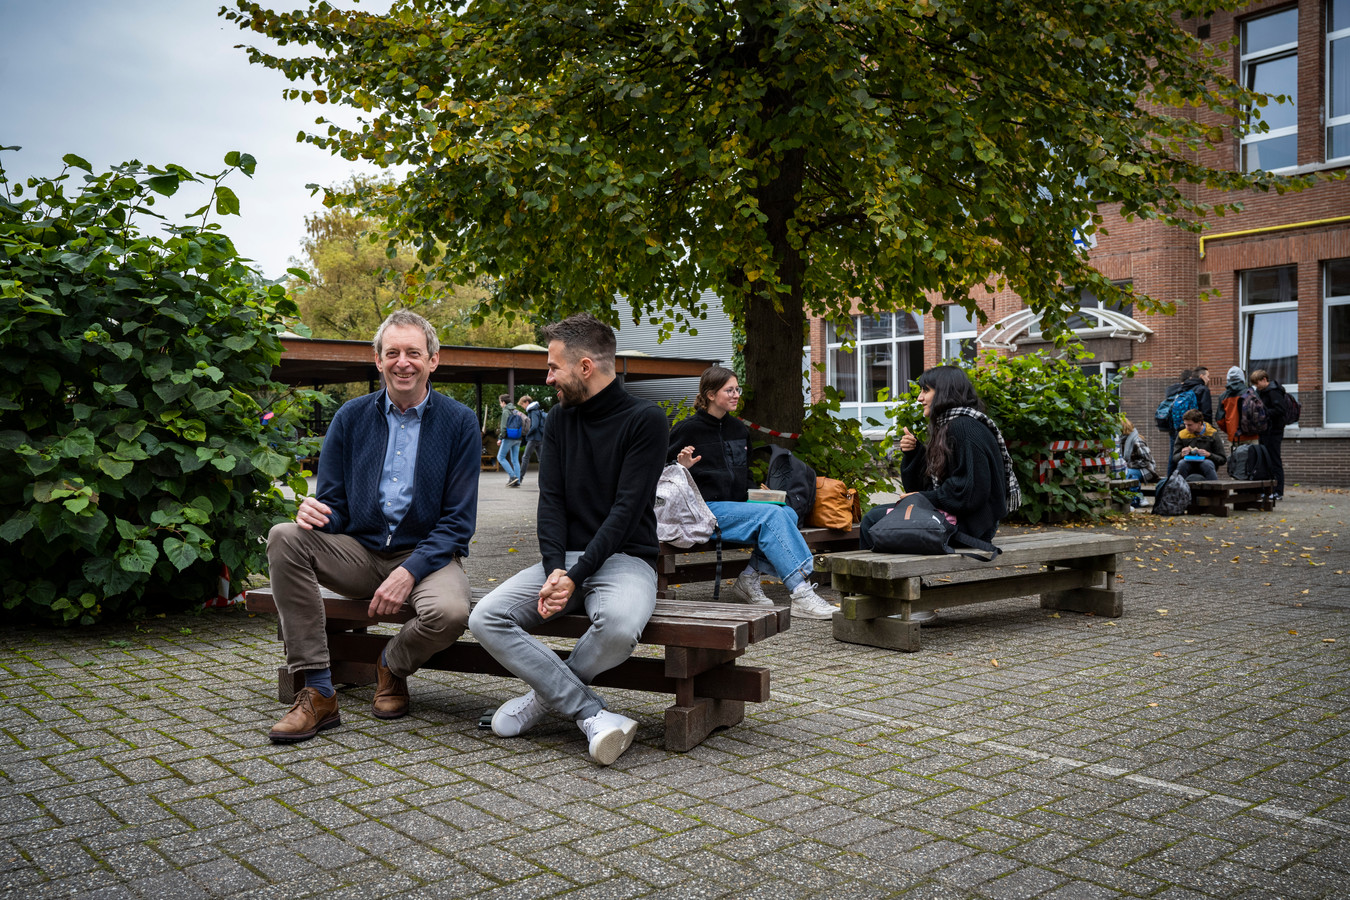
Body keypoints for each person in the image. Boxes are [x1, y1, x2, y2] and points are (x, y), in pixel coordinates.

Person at [264, 310, 480, 743]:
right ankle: (319, 692)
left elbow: (458, 522)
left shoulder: (459, 422)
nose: (404, 362)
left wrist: (409, 571)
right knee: (284, 536)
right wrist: (317, 513)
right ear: (377, 359)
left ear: (433, 361)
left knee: (452, 613)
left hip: (427, 555)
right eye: (393, 353)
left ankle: (391, 665)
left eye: (414, 353)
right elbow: (336, 505)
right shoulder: (350, 417)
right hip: (359, 552)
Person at [468, 314, 668, 766]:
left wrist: (575, 576)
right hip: (565, 562)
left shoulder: (646, 420)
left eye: (553, 367)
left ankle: (541, 700)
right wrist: (556, 567)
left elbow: (626, 511)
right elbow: (551, 501)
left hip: (625, 557)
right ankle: (592, 714)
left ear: (584, 367)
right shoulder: (559, 419)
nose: (547, 377)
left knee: (618, 627)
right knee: (485, 617)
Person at [666, 366, 837, 620]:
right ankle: (801, 592)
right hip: (702, 510)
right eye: (729, 390)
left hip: (735, 508)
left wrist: (758, 496)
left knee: (786, 511)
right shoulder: (686, 430)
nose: (736, 394)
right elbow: (662, 478)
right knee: (771, 518)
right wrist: (682, 467)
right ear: (711, 394)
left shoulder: (739, 429)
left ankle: (749, 577)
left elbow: (745, 476)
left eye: (737, 389)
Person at [860, 366, 1015, 588]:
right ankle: (904, 591)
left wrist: (925, 498)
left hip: (972, 527)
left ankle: (885, 594)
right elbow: (928, 484)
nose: (920, 397)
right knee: (879, 517)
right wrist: (914, 454)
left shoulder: (964, 428)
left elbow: (970, 491)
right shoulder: (951, 425)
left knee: (875, 521)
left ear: (945, 392)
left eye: (926, 390)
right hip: (964, 519)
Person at [1164, 366, 1213, 481]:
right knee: (1197, 457)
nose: (1209, 379)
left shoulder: (1183, 388)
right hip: (1195, 429)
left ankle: (1170, 483)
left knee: (1175, 456)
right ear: (1202, 376)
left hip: (1178, 427)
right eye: (1208, 376)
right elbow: (1206, 412)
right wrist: (1208, 430)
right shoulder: (1202, 389)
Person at [1252, 368, 1288, 499]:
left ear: (1264, 380)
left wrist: (1264, 413)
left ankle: (1278, 491)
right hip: (1266, 430)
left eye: (1257, 383)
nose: (1256, 386)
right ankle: (1269, 489)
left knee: (1274, 459)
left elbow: (1280, 409)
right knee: (1266, 459)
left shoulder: (1273, 392)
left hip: (1274, 431)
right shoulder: (1261, 392)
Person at [1171, 408, 1227, 481]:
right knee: (1182, 463)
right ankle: (1179, 488)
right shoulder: (1182, 434)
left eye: (1190, 425)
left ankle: (1214, 489)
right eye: (1185, 424)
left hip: (1206, 464)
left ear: (1199, 423)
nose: (1187, 428)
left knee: (1207, 464)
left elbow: (1222, 459)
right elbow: (1174, 458)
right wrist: (1181, 454)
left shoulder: (1212, 434)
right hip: (1188, 464)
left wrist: (1209, 455)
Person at [1118, 417, 1157, 507]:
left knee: (1126, 473)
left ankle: (1133, 500)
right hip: (1132, 468)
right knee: (1125, 474)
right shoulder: (1121, 441)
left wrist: (1127, 465)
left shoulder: (1136, 440)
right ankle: (1139, 498)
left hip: (1146, 469)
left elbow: (1147, 460)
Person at [495, 393, 525, 487]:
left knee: (500, 457)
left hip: (509, 438)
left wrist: (500, 438)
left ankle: (512, 477)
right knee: (515, 460)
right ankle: (518, 481)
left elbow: (503, 427)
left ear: (503, 402)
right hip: (518, 438)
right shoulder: (515, 410)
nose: (500, 404)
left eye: (500, 402)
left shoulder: (505, 411)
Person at [516, 394, 547, 484]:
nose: (522, 406)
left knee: (525, 457)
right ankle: (543, 479)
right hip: (540, 437)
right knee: (541, 459)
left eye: (522, 404)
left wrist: (527, 434)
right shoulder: (536, 410)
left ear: (527, 402)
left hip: (533, 438)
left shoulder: (533, 411)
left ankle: (519, 478)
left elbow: (534, 426)